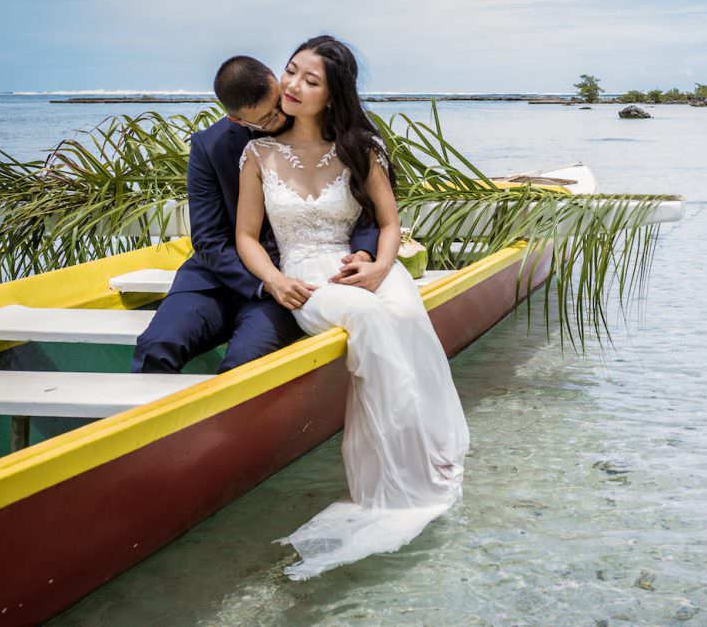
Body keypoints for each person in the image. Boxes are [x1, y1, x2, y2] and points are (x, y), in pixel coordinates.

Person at [235, 35, 469, 578]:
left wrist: (381, 268)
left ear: (332, 94)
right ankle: (391, 476)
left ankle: (425, 449)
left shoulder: (362, 146)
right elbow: (246, 236)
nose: (292, 86)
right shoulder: (258, 153)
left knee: (405, 312)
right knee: (364, 318)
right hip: (308, 282)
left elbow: (389, 224)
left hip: (360, 267)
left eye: (309, 80)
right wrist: (273, 280)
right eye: (291, 72)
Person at [131, 56, 379, 375]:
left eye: (279, 103)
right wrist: (265, 283)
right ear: (238, 121)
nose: (281, 116)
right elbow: (208, 240)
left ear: (278, 82)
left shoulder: (323, 127)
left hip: (294, 281)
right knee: (156, 348)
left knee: (242, 366)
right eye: (266, 119)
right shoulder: (210, 147)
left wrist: (364, 251)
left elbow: (360, 205)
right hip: (219, 280)